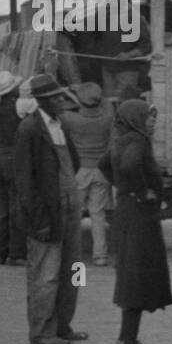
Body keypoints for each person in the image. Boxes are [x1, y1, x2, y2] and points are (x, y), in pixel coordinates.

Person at [14, 73, 87, 344]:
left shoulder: (61, 126)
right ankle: (42, 331)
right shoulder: (29, 130)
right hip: (47, 212)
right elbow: (24, 182)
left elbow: (74, 163)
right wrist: (39, 218)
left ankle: (62, 326)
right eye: (57, 97)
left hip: (69, 206)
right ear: (43, 100)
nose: (62, 100)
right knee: (45, 274)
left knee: (71, 270)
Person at [99, 100, 172, 344]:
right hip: (139, 217)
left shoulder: (122, 139)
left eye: (154, 117)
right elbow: (130, 166)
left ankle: (126, 339)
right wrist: (141, 192)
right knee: (137, 277)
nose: (153, 121)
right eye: (148, 117)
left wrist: (122, 187)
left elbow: (104, 164)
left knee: (132, 276)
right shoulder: (138, 141)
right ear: (135, 118)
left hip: (127, 213)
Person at [60, 82, 115, 266]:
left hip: (80, 171)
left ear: (80, 103)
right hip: (100, 170)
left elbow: (58, 110)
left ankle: (73, 256)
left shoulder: (71, 119)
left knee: (74, 214)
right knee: (98, 214)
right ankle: (100, 255)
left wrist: (72, 91)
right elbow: (108, 105)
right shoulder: (107, 118)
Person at [0, 71, 27, 265]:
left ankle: (1, 251)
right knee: (17, 207)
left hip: (0, 158)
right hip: (14, 159)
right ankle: (17, 252)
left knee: (2, 208)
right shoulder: (17, 106)